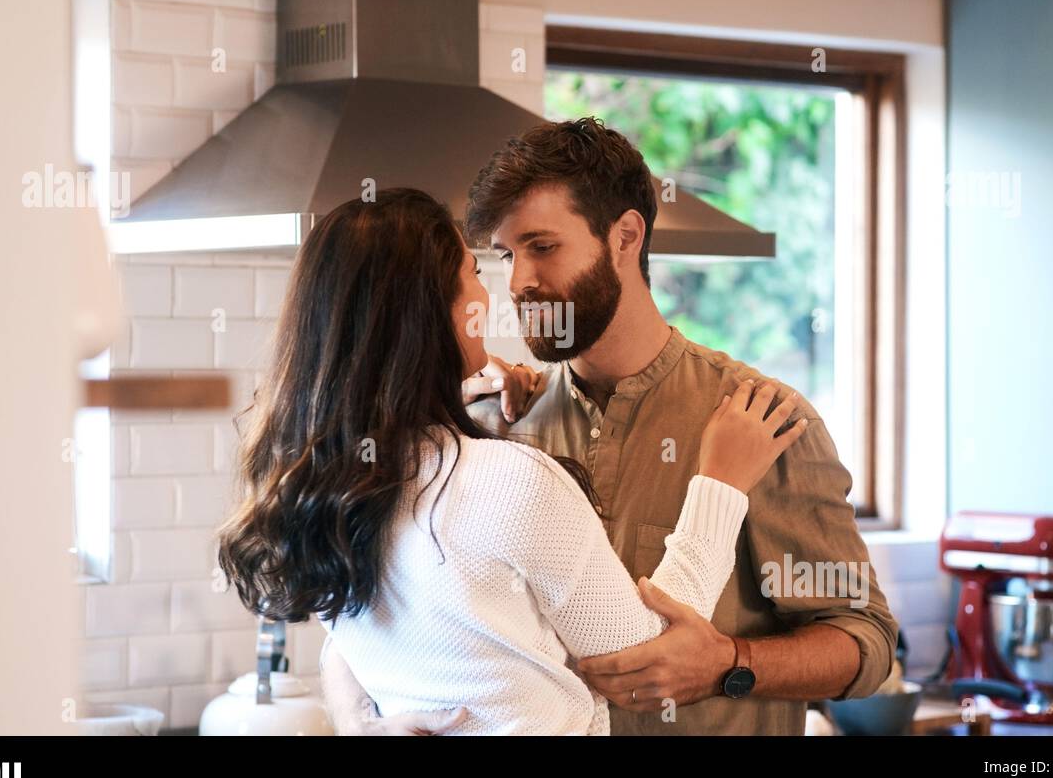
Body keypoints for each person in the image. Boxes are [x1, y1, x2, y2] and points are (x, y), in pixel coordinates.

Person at [321, 118, 899, 736]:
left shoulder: (762, 421)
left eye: (542, 247)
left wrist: (729, 663)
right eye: (506, 255)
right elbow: (377, 616)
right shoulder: (494, 424)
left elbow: (864, 640)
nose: (518, 282)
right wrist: (363, 720)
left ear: (625, 236)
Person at [216, 187, 809, 735]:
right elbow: (644, 656)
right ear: (432, 315)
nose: (503, 289)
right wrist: (720, 484)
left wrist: (450, 396)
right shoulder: (508, 483)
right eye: (479, 269)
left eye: (541, 247)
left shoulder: (313, 487)